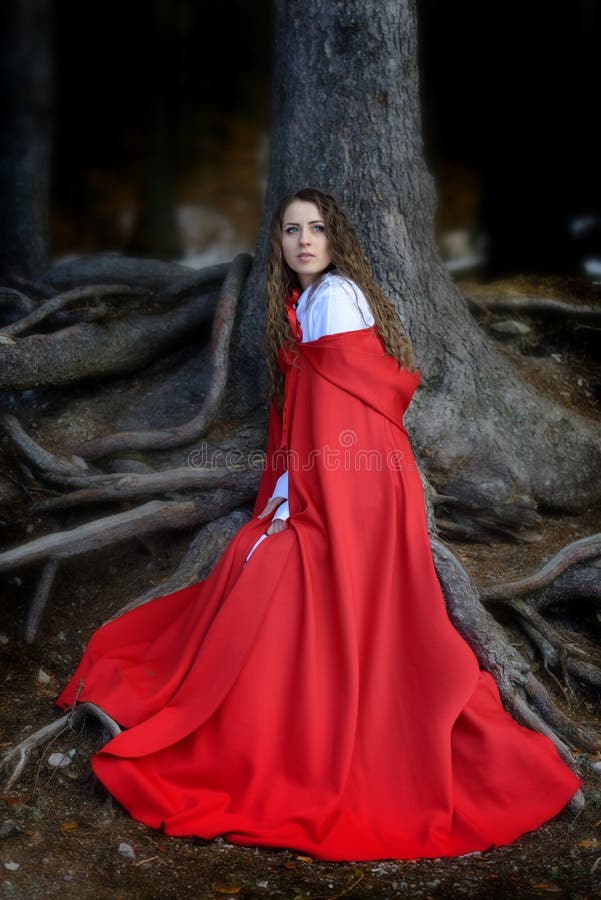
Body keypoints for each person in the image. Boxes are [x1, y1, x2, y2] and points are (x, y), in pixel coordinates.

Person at [56, 187, 582, 863]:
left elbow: (340, 428)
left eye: (317, 229)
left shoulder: (334, 298)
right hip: (341, 477)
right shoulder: (299, 307)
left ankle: (255, 741)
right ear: (277, 244)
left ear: (336, 242)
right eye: (291, 230)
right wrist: (282, 496)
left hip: (354, 485)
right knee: (255, 556)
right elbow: (307, 423)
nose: (304, 240)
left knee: (275, 565)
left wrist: (300, 511)